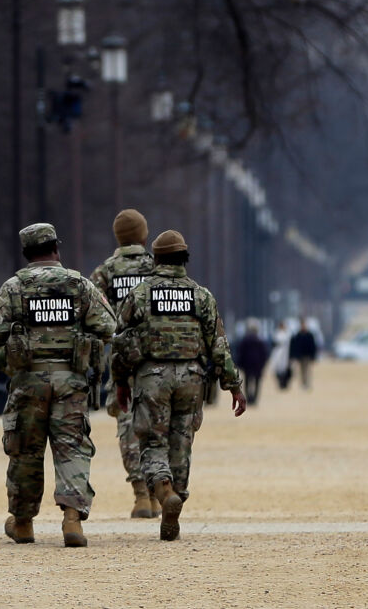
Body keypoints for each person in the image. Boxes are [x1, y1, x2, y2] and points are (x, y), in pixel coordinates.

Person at [0, 222, 116, 547]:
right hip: (70, 379)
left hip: (27, 380)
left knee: (25, 451)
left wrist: (10, 364)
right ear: (56, 248)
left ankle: (23, 522)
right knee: (72, 447)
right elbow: (108, 326)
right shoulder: (79, 284)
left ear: (27, 253)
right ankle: (72, 520)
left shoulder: (14, 287)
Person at [111, 230, 246, 540]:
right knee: (182, 441)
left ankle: (163, 490)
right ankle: (178, 498)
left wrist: (121, 381)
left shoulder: (141, 294)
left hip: (152, 377)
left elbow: (120, 342)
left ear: (156, 259)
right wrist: (234, 385)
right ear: (185, 259)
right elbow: (219, 346)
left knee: (152, 441)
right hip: (192, 378)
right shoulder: (201, 296)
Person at [89, 208, 157, 518]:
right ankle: (161, 488)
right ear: (144, 236)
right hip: (158, 358)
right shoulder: (158, 267)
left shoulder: (105, 272)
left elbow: (93, 314)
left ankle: (141, 494)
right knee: (159, 423)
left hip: (121, 359)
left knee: (128, 425)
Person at [233, 320, 270, 406]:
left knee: (247, 381)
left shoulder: (244, 341)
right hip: (257, 365)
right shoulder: (260, 341)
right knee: (257, 382)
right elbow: (264, 354)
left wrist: (240, 364)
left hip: (247, 365)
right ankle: (255, 399)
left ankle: (249, 399)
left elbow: (240, 353)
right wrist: (263, 364)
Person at [289, 318, 320, 391]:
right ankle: (302, 384)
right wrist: (294, 356)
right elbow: (295, 346)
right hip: (300, 356)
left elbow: (313, 346)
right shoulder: (298, 335)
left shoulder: (309, 335)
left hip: (308, 356)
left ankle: (307, 384)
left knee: (308, 370)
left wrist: (313, 356)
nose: (303, 326)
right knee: (301, 371)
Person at [270, 318, 292, 391]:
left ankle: (285, 384)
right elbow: (274, 344)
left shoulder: (288, 334)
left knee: (286, 370)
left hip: (286, 354)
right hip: (278, 354)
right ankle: (280, 383)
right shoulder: (276, 334)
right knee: (278, 370)